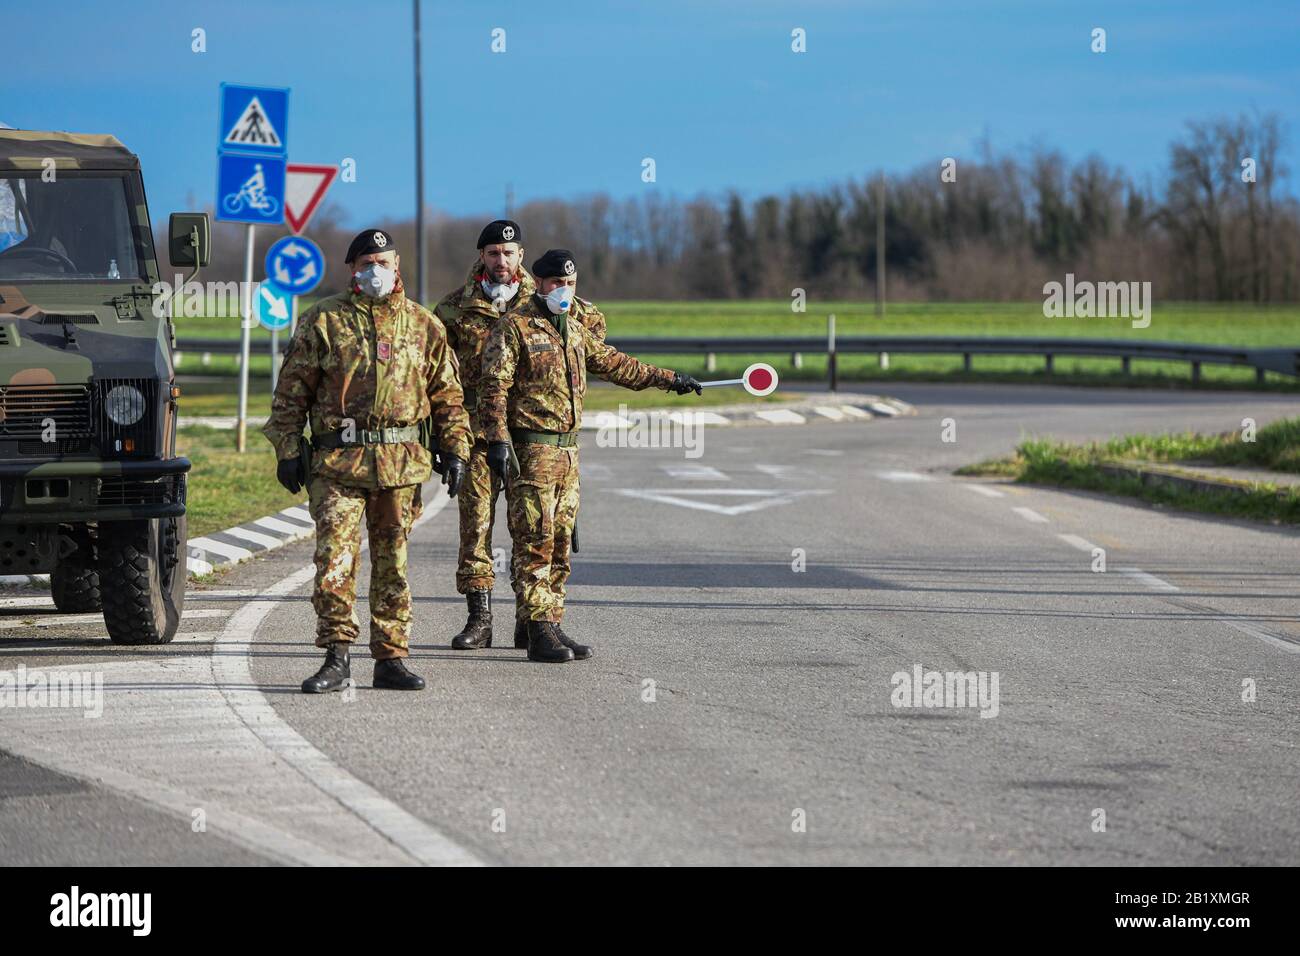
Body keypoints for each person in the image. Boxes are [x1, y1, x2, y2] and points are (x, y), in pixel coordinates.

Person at [263, 228, 471, 693]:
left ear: (397, 267)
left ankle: (391, 657)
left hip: (400, 465)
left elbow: (448, 396)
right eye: (366, 263)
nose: (375, 271)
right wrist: (288, 448)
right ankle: (336, 656)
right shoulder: (323, 321)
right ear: (352, 269)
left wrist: (456, 448)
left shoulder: (424, 325)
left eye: (384, 263)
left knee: (392, 563)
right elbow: (291, 390)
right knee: (334, 560)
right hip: (337, 463)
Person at [477, 249, 701, 663]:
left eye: (570, 284)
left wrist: (671, 380)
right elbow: (493, 388)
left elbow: (617, 364)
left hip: (568, 452)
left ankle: (544, 623)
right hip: (532, 448)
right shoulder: (515, 327)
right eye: (555, 284)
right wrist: (497, 440)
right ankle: (540, 626)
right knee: (535, 540)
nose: (563, 290)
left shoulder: (576, 330)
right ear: (539, 284)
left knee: (562, 542)